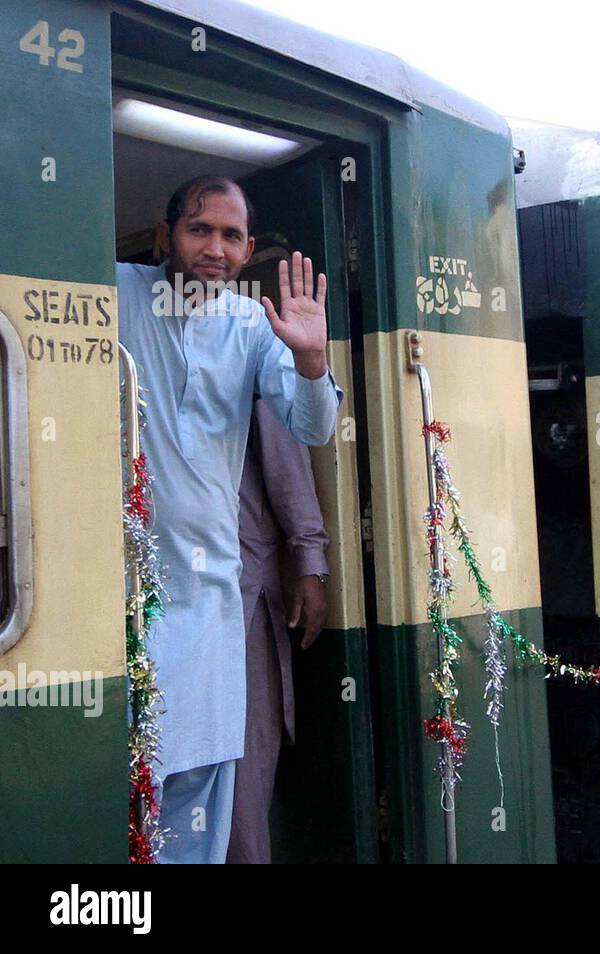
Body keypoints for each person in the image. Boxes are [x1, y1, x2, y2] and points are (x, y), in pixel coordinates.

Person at [117, 174, 342, 863]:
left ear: (246, 252)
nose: (214, 248)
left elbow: (312, 423)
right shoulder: (114, 292)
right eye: (199, 229)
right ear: (166, 237)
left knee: (200, 789)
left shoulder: (250, 325)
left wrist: (310, 360)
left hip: (213, 599)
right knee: (130, 780)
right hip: (124, 597)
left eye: (231, 236)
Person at [226, 397, 330, 864]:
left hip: (241, 590)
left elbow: (285, 455)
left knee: (241, 785)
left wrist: (310, 562)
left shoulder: (249, 336)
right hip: (182, 591)